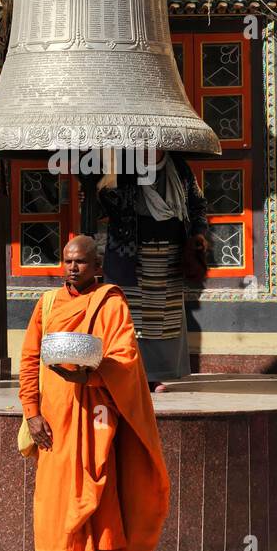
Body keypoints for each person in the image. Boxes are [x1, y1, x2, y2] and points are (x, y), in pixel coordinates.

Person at [19, 235, 170, 551]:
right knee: (53, 499)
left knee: (96, 493)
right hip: (54, 419)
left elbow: (125, 355)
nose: (72, 267)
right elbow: (29, 359)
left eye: (81, 262)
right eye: (68, 261)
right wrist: (32, 412)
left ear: (97, 267)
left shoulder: (111, 302)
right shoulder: (48, 302)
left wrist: (90, 377)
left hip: (96, 417)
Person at [97, 149, 209, 388]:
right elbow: (107, 205)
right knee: (130, 315)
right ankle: (128, 371)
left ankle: (157, 373)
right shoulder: (123, 163)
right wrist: (110, 182)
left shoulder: (179, 167)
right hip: (129, 255)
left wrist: (199, 232)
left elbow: (197, 204)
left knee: (162, 317)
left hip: (170, 254)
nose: (151, 146)